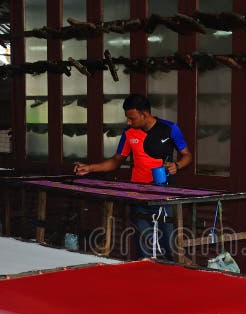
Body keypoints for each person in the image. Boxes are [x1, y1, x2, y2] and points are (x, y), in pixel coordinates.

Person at [74, 94, 192, 259]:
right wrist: (90, 168)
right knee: (143, 248)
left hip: (164, 195)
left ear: (144, 114)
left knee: (169, 246)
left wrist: (177, 165)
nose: (128, 122)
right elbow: (116, 161)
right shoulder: (129, 133)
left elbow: (187, 155)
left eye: (132, 118)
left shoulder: (170, 128)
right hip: (137, 195)